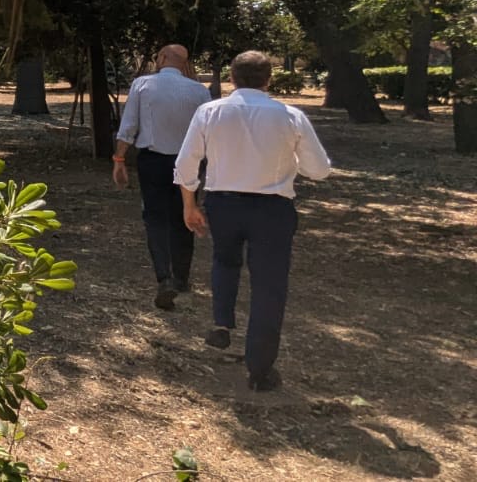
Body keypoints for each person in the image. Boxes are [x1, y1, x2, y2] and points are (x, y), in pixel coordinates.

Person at [175, 50, 331, 393]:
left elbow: (187, 164)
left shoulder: (210, 112)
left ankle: (222, 321)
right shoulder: (290, 116)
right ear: (269, 79)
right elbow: (319, 170)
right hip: (272, 209)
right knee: (269, 286)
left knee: (224, 259)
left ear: (232, 78)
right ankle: (260, 368)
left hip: (223, 203)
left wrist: (190, 204)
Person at [113, 44, 211, 310]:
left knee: (155, 218)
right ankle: (181, 277)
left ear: (163, 58)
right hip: (188, 162)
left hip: (153, 160)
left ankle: (163, 276)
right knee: (185, 215)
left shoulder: (143, 84)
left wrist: (119, 159)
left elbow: (129, 125)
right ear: (184, 63)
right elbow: (208, 131)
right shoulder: (200, 91)